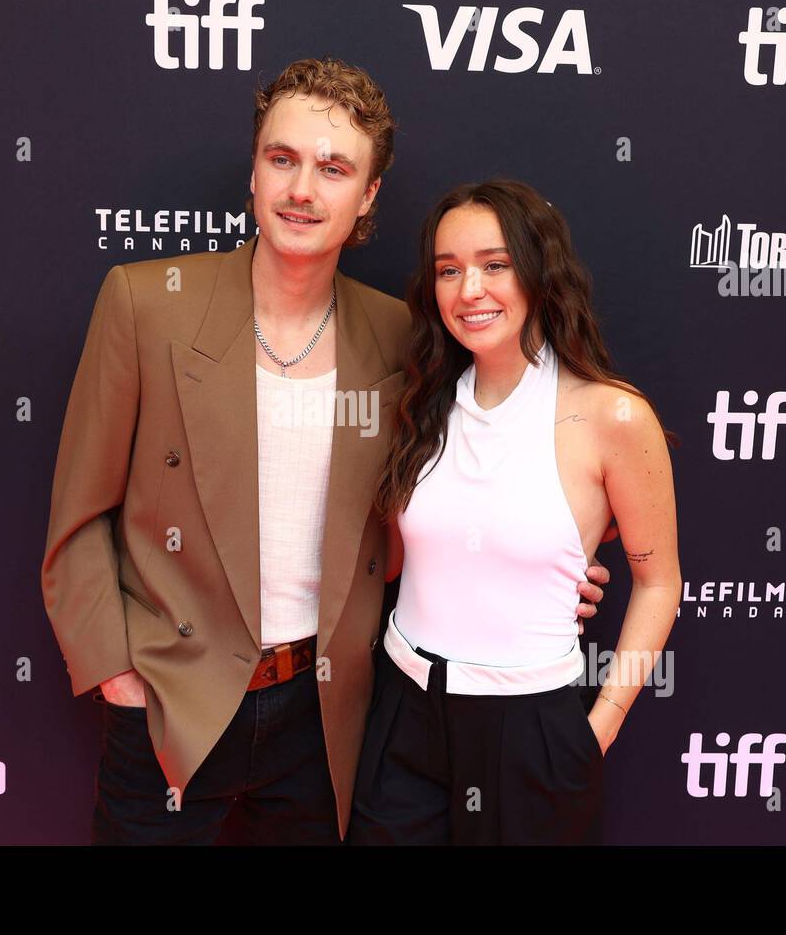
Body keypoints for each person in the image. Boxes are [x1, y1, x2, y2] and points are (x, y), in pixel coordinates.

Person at [41, 59, 613, 845]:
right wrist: (118, 675)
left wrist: (545, 571)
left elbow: (478, 477)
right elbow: (79, 518)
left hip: (330, 717)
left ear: (368, 195)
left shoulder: (405, 335)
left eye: (333, 168)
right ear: (254, 169)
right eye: (283, 159)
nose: (302, 190)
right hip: (171, 701)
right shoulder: (145, 304)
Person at [348, 179, 682, 845]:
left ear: (538, 271)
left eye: (494, 264)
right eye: (449, 270)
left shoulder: (613, 415)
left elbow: (659, 580)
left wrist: (601, 724)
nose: (469, 289)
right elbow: (399, 561)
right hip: (402, 712)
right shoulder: (417, 403)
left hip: (530, 733)